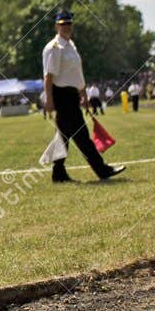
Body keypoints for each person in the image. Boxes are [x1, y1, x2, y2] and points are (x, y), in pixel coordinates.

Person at [42, 11, 125, 183]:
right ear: (56, 26)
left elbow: (77, 75)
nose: (66, 27)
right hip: (61, 94)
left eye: (69, 24)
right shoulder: (54, 48)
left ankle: (58, 172)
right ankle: (101, 169)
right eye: (63, 24)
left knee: (63, 136)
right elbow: (48, 77)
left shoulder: (71, 46)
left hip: (72, 94)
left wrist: (83, 95)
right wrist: (49, 100)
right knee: (81, 135)